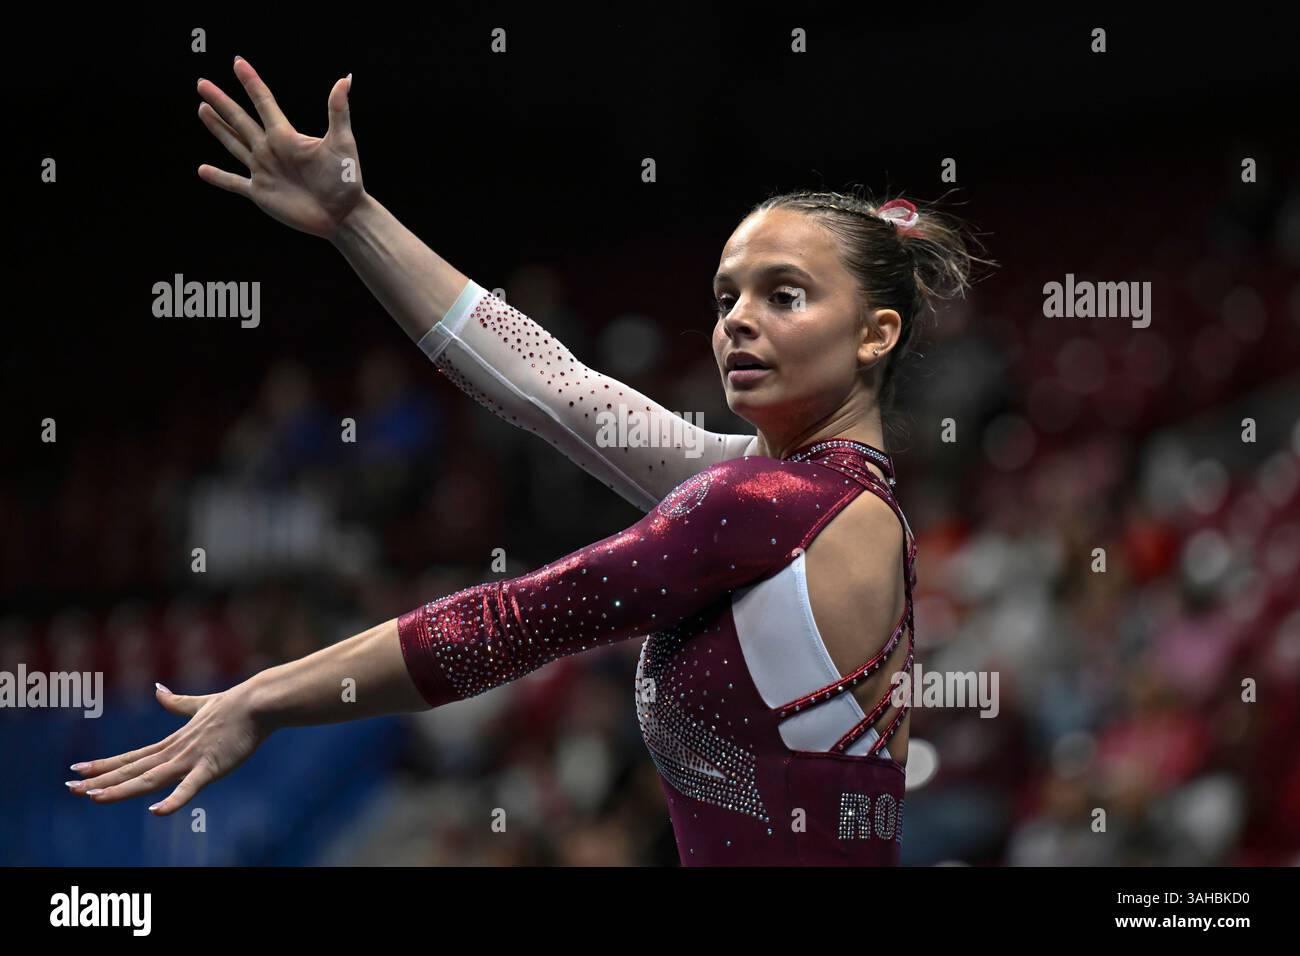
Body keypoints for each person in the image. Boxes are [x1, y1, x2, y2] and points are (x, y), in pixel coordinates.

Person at [65, 56, 986, 865]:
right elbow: (552, 388)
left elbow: (510, 620)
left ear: (877, 335)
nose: (738, 318)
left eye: (785, 295)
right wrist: (354, 217)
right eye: (725, 295)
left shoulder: (776, 509)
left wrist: (263, 698)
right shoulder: (805, 502)